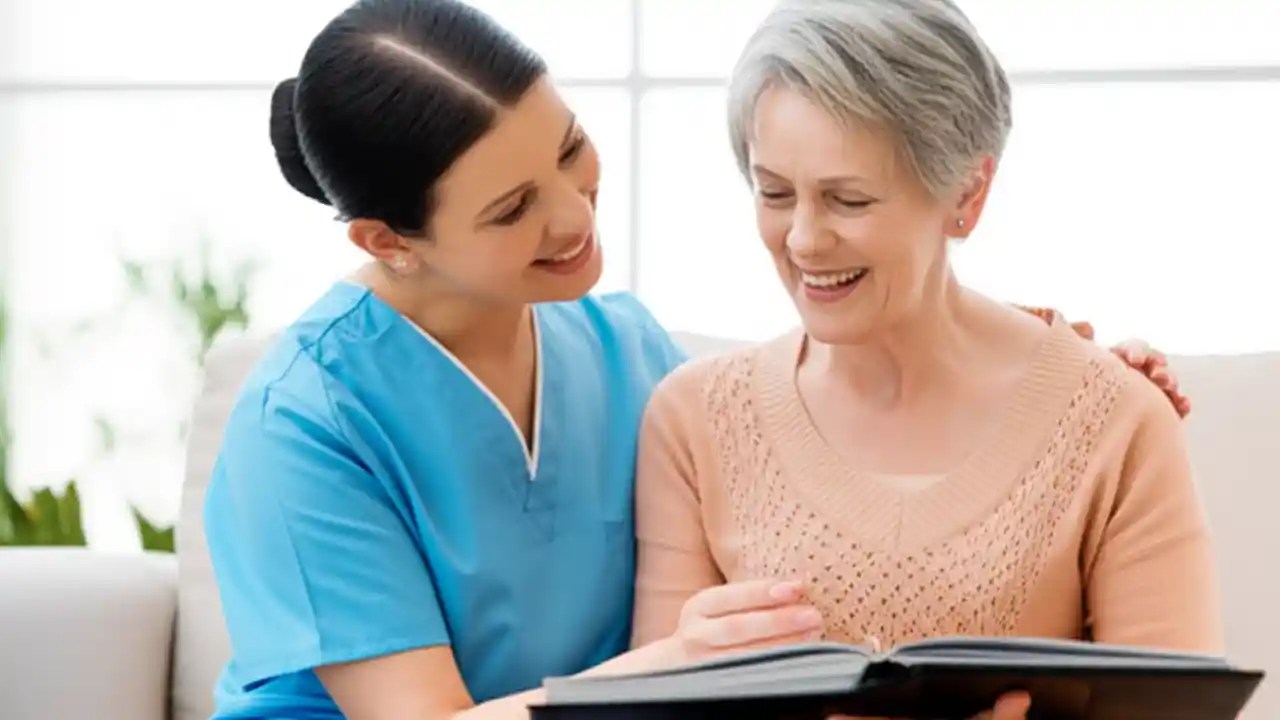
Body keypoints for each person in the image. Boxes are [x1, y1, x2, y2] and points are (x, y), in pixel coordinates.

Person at [203, 1, 1191, 718]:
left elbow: (813, 399)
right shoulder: (306, 425)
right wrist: (667, 664)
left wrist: (1050, 370)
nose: (574, 215)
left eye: (569, 149)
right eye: (510, 209)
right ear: (388, 242)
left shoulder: (618, 345)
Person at [629, 1, 1222, 719]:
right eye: (775, 193)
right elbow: (653, 707)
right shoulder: (695, 420)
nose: (805, 241)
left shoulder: (1114, 420)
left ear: (967, 194)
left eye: (848, 199)